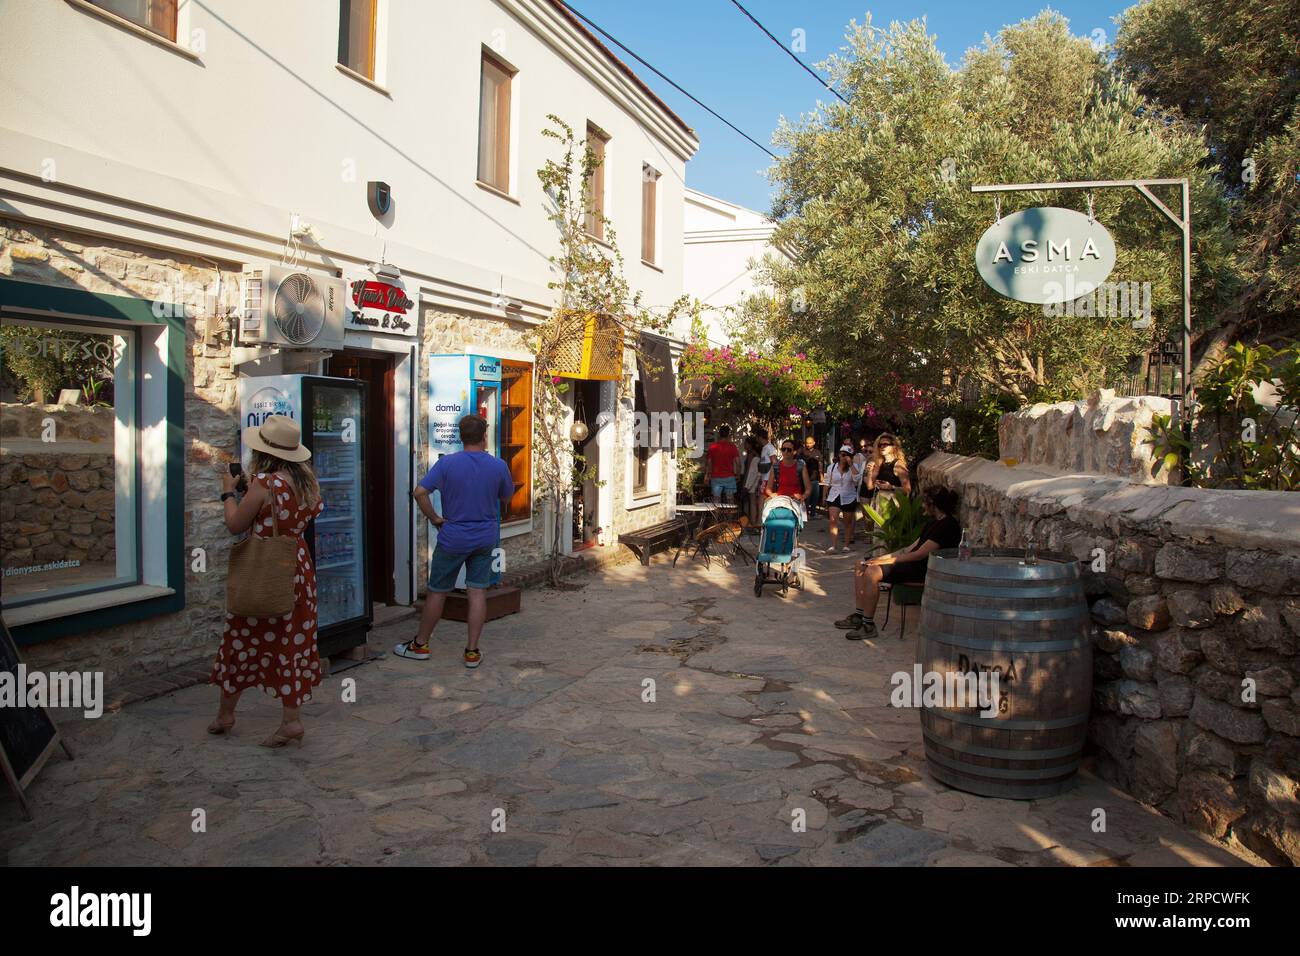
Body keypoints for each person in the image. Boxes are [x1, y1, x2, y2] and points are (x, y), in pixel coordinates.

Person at [209, 415, 324, 747]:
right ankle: (292, 721)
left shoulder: (264, 485)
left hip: (264, 569)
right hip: (297, 568)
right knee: (292, 644)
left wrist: (228, 494)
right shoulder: (308, 483)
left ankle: (225, 715)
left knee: (241, 640)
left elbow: (235, 524)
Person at [395, 414, 513, 668]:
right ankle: (472, 652)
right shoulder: (498, 466)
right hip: (484, 537)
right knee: (477, 591)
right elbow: (506, 498)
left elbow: (419, 492)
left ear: (461, 437)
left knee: (438, 591)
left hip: (453, 536)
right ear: (484, 436)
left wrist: (435, 518)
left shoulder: (447, 464)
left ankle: (420, 645)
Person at [835, 486, 962, 640]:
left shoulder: (948, 526)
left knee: (872, 572)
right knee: (861, 564)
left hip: (924, 569)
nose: (922, 506)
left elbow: (919, 555)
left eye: (924, 503)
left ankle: (868, 625)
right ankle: (859, 615)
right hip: (913, 565)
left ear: (932, 504)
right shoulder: (932, 524)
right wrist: (881, 558)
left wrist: (885, 561)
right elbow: (909, 548)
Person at [824, 444, 864, 553]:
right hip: (834, 496)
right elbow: (827, 482)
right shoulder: (831, 467)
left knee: (847, 522)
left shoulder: (854, 467)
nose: (844, 457)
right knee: (833, 521)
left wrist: (850, 464)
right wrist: (824, 495)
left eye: (847, 455)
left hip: (849, 496)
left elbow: (857, 479)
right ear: (839, 455)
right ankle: (833, 545)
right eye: (842, 454)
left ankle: (846, 545)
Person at [864, 432, 912, 504]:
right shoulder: (879, 463)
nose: (882, 447)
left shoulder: (898, 465)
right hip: (879, 501)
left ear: (894, 447)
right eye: (880, 445)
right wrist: (870, 472)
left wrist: (891, 487)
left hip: (893, 503)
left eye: (885, 444)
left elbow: (908, 490)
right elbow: (870, 487)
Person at [705, 424, 741, 504]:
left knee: (716, 500)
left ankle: (716, 517)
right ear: (728, 435)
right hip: (729, 477)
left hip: (716, 477)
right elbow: (738, 463)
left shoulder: (713, 447)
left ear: (719, 434)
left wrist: (706, 476)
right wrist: (738, 475)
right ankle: (729, 517)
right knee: (730, 500)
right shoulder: (732, 447)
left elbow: (708, 463)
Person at [739, 434, 762, 526]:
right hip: (757, 480)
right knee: (754, 502)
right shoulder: (759, 456)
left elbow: (749, 471)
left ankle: (752, 521)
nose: (744, 445)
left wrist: (746, 484)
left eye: (746, 443)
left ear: (750, 445)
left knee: (751, 502)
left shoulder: (752, 456)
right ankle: (754, 521)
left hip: (751, 481)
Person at [799, 435, 824, 519]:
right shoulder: (803, 452)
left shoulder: (817, 452)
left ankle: (813, 513)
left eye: (810, 443)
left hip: (815, 478)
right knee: (806, 497)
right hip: (805, 479)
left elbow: (820, 463)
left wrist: (821, 475)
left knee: (815, 496)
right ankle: (805, 514)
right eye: (807, 443)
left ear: (814, 443)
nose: (808, 444)